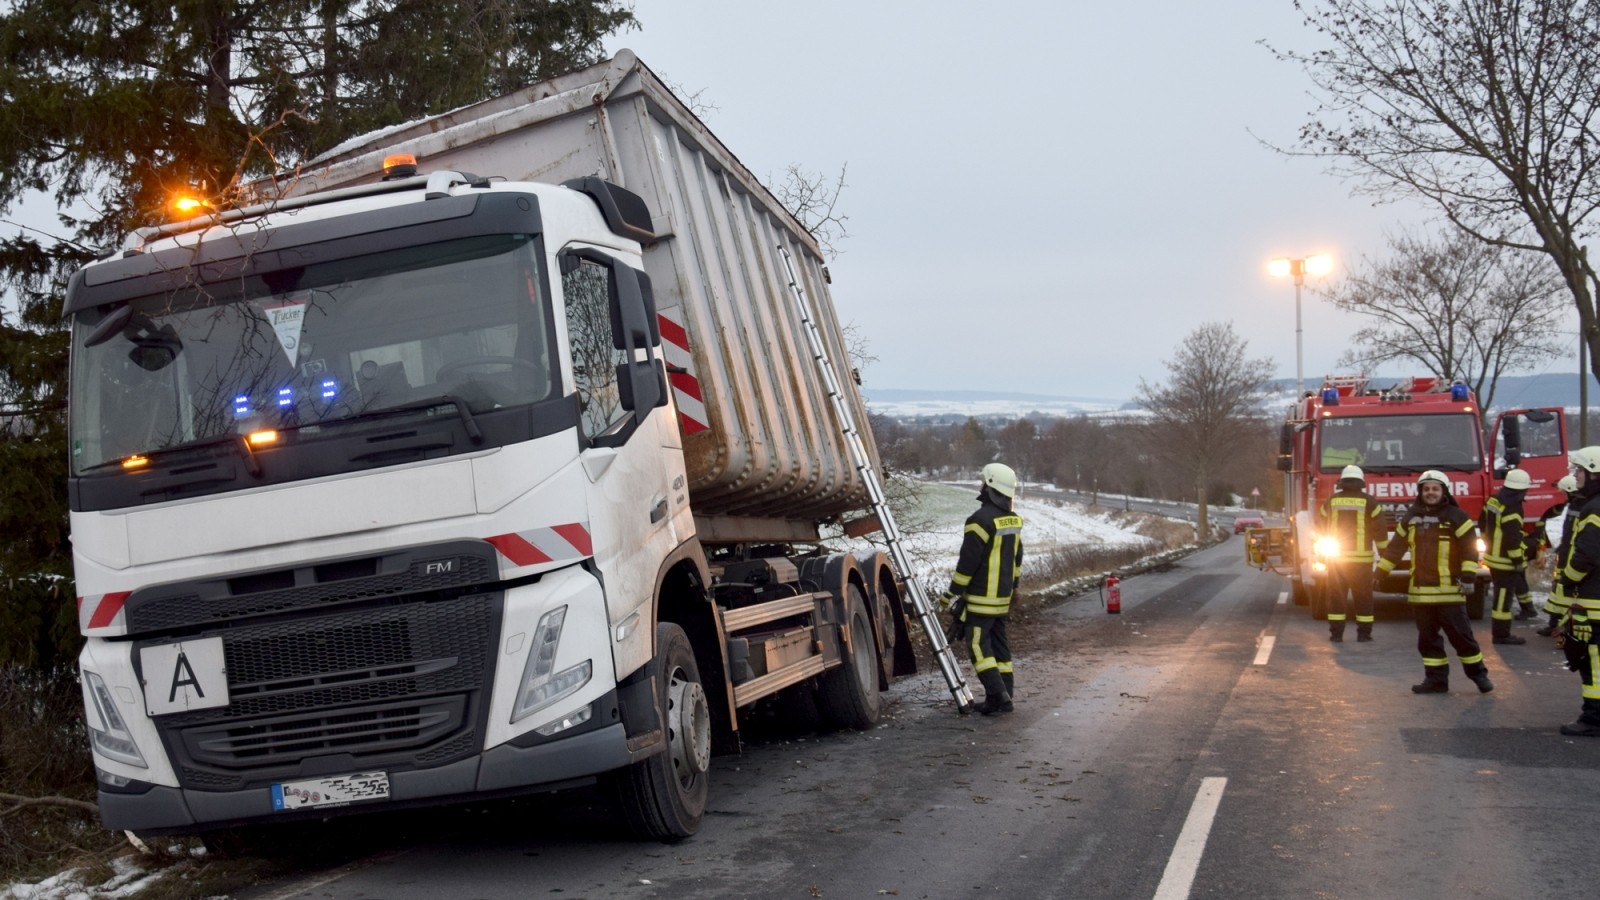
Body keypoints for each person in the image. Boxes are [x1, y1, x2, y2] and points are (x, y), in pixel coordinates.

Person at [1375, 469, 1493, 694]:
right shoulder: (1411, 518)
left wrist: (1469, 576)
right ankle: (1436, 681)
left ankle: (1479, 676)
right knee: (1427, 641)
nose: (1430, 493)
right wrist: (1379, 574)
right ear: (1420, 492)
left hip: (1450, 592)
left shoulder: (1457, 517)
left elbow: (1470, 549)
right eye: (1426, 489)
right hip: (1421, 593)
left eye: (1435, 489)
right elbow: (1395, 550)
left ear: (1444, 491)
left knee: (1462, 639)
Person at [940, 462, 1025, 716]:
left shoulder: (979, 521)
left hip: (980, 600)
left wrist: (951, 593)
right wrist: (1015, 589)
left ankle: (999, 697)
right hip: (1002, 599)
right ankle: (1002, 696)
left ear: (989, 487)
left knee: (978, 646)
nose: (980, 485)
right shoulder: (1013, 520)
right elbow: (1017, 559)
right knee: (1000, 648)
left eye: (983, 482)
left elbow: (968, 564)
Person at [1553, 447, 1600, 735]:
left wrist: (1568, 580)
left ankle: (1593, 719)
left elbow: (1585, 556)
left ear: (1594, 473)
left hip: (1594, 601)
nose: (1576, 476)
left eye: (1579, 471)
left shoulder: (1594, 509)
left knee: (1591, 660)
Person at [1317, 464, 1385, 642]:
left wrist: (1321, 555)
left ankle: (1336, 635)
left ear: (1342, 482)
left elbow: (1319, 527)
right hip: (1361, 562)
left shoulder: (1331, 501)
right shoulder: (1370, 502)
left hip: (1336, 560)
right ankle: (1364, 635)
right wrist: (1386, 558)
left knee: (1336, 598)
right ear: (1361, 482)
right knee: (1363, 598)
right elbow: (1381, 533)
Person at [1481, 468, 1534, 645]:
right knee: (1503, 599)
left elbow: (1482, 521)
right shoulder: (1513, 508)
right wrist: (1518, 560)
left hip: (1492, 558)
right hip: (1505, 562)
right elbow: (1512, 539)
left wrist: (1486, 539)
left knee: (1499, 595)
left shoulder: (1494, 500)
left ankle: (1500, 633)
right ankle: (1501, 635)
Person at [1534, 474, 1579, 638]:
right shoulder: (1574, 507)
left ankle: (1562, 627)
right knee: (1558, 590)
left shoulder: (1582, 508)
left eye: (1564, 493)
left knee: (1565, 593)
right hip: (1566, 554)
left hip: (1573, 557)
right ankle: (1555, 625)